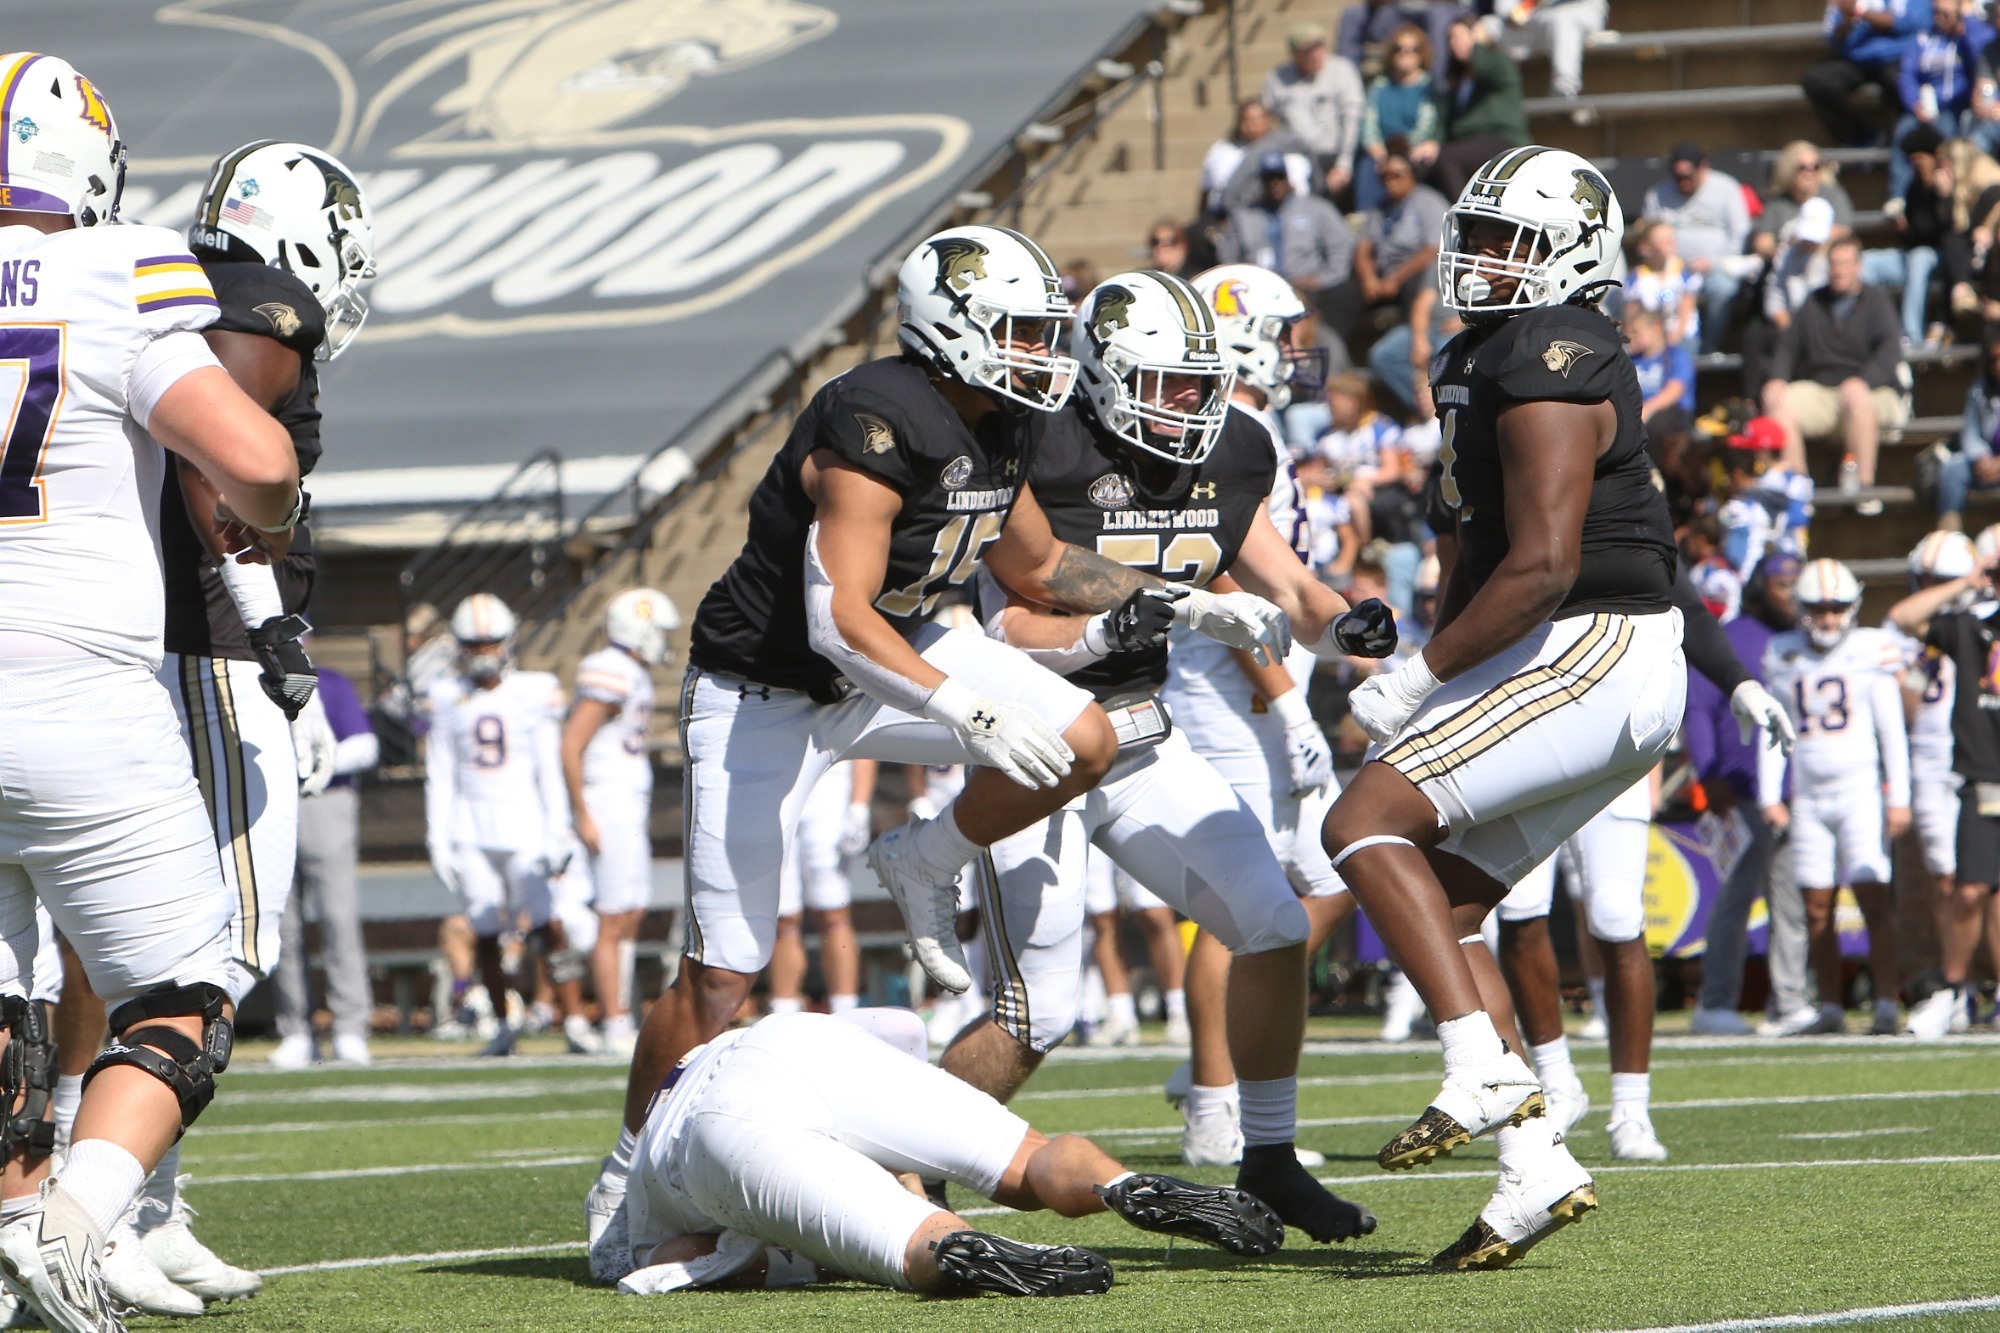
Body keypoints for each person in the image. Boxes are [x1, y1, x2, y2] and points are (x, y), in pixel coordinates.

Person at [585, 224, 1294, 1286]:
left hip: (899, 648)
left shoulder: (1000, 415)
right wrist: (966, 710)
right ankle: (627, 1168)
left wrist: (1180, 601)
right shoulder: (872, 414)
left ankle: (923, 857)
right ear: (946, 323)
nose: (1036, 350)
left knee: (1085, 733)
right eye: (1013, 329)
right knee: (721, 973)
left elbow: (1044, 562)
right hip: (767, 688)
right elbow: (836, 621)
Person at [943, 268, 1394, 1242]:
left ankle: (1266, 1156)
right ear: (1102, 377)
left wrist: (1351, 629)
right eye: (1168, 386)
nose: (1192, 407)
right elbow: (1013, 618)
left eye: (1201, 383)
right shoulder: (1037, 442)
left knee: (1271, 923)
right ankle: (905, 1167)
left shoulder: (1234, 447)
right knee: (1035, 1011)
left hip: (1140, 731)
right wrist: (1115, 627)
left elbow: (1287, 584)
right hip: (1031, 737)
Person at [1319, 145, 1693, 1270]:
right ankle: (1534, 1165)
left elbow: (1538, 565)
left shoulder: (1549, 347)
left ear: (1571, 254)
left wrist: (1421, 676)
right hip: (1585, 654)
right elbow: (1477, 550)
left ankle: (1480, 1066)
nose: (1476, 258)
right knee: (1437, 903)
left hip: (1593, 644)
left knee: (1356, 825)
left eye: (1506, 242)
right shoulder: (1484, 350)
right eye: (1473, 235)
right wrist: (1416, 633)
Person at [0, 52, 305, 1333]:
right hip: (74, 681)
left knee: (11, 997)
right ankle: (70, 1228)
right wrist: (265, 522)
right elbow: (255, 452)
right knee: (185, 997)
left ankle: (11, 1230)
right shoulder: (115, 262)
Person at [99, 135, 378, 1316]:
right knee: (218, 947)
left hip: (153, 638)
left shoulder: (161, 275)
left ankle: (142, 1206)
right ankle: (97, 1208)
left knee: (128, 946)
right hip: (207, 644)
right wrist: (272, 631)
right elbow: (215, 472)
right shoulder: (258, 303)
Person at [612, 1009, 1281, 1299]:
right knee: (1027, 1160)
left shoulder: (626, 1216)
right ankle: (1121, 1183)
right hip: (795, 1037)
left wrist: (777, 1264)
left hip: (718, 1129)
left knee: (915, 1239)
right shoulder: (647, 1151)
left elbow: (676, 1260)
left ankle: (966, 1249)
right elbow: (900, 1031)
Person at [426, 594, 596, 1057]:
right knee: (483, 928)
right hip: (471, 829)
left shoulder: (533, 691)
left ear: (508, 641)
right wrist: (437, 839)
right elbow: (441, 776)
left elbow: (548, 766)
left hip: (524, 824)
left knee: (547, 923)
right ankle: (503, 1027)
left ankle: (575, 1021)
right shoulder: (446, 697)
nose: (483, 652)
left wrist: (557, 828)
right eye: (474, 644)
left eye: (490, 642)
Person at [1760, 559, 1910, 1036]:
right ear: (1802, 609)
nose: (1828, 618)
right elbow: (1774, 730)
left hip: (1860, 792)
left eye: (1837, 607)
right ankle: (1830, 1006)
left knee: (1872, 896)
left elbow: (1891, 731)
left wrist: (1899, 797)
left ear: (1853, 606)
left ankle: (1886, 1001)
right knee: (1816, 906)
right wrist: (1770, 794)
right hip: (1808, 798)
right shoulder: (1782, 653)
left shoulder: (1871, 649)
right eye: (1820, 608)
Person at [1681, 555, 1817, 1036]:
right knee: (1737, 898)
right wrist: (1707, 770)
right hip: (1740, 792)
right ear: (1760, 589)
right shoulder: (1733, 636)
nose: (1794, 595)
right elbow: (1697, 705)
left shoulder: (1806, 642)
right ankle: (1716, 1001)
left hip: (1796, 793)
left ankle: (1791, 1001)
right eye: (1784, 584)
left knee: (1792, 901)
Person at [1889, 528, 2000, 1038]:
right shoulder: (1960, 627)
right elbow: (1905, 621)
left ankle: (1983, 988)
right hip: (1966, 768)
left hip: (1977, 764)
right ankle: (1957, 988)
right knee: (1963, 885)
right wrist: (1963, 586)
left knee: (1987, 889)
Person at [562, 588, 677, 1055]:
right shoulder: (610, 670)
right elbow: (571, 745)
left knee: (630, 913)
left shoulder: (632, 672)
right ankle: (613, 1020)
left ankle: (620, 1015)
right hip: (607, 801)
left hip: (627, 803)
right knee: (613, 916)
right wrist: (582, 813)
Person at [272, 662, 379, 1069]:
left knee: (338, 919)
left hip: (324, 802)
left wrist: (318, 763)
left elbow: (365, 744)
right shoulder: (247, 684)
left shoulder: (329, 683)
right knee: (283, 926)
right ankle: (296, 1030)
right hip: (272, 807)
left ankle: (350, 1028)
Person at [1762, 236, 1907, 513]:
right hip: (1824, 389)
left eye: (1845, 263)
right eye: (1834, 264)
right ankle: (1798, 491)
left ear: (1858, 266)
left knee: (1858, 400)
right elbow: (1788, 347)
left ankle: (1863, 488)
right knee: (1778, 404)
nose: (1838, 270)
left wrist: (1864, 380)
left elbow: (1891, 350)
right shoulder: (1814, 301)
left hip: (1874, 390)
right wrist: (1777, 378)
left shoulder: (1876, 301)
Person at [1318, 147, 1448, 351]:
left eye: (1396, 175)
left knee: (1416, 290)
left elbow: (1434, 248)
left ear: (1411, 175)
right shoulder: (1379, 208)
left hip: (1413, 275)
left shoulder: (1428, 201)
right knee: (1340, 294)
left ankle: (1413, 351)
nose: (1390, 181)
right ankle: (1337, 354)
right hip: (1381, 276)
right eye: (1384, 176)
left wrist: (1396, 278)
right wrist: (1369, 278)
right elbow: (1363, 247)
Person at [769, 761, 867, 1015]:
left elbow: (865, 735)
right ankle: (783, 1012)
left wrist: (859, 805)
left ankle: (846, 1012)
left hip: (830, 786)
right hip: (777, 784)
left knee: (833, 911)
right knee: (783, 914)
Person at [1643, 144, 1752, 354]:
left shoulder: (1726, 188)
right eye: (1678, 177)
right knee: (1655, 292)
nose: (1684, 182)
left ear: (1703, 168)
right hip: (1672, 271)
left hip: (1717, 267)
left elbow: (1740, 232)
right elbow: (1649, 233)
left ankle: (1711, 349)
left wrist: (1715, 262)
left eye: (1689, 176)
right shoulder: (1658, 195)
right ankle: (1661, 353)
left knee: (1724, 289)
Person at [1216, 156, 1355, 304]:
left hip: (1307, 292)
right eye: (1268, 179)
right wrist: (1243, 279)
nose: (1275, 183)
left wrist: (1322, 279)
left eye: (1279, 177)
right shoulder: (1245, 216)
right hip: (1256, 293)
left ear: (1288, 178)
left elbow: (1341, 245)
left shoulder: (1316, 209)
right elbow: (1227, 256)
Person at [1892, 0, 1991, 198]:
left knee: (1944, 136)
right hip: (1925, 107)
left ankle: (1948, 194)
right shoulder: (1924, 38)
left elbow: (1983, 53)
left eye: (1946, 14)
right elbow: (1907, 75)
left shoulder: (1971, 36)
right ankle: (1899, 196)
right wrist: (1914, 103)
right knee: (1903, 132)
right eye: (1936, 12)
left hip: (1957, 107)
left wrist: (1968, 21)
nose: (1940, 18)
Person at [1802, 0, 1931, 147]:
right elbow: (1835, 37)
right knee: (1817, 81)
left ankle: (1910, 140)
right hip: (1856, 58)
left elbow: (1909, 23)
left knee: (1899, 82)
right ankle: (1860, 140)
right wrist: (1847, 19)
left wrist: (1860, 12)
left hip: (1898, 55)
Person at [1428, 17, 1530, 201]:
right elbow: (1444, 117)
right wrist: (1434, 141)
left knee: (1448, 158)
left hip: (1500, 140)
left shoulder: (1500, 64)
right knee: (1424, 166)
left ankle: (1462, 215)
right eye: (1451, 38)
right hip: (1466, 143)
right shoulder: (1458, 81)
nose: (1455, 43)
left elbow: (1485, 66)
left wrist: (1477, 44)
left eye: (1460, 36)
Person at [1260, 22, 1366, 200]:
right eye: (1308, 50)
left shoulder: (1342, 70)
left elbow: (1352, 119)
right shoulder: (1277, 78)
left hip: (1334, 154)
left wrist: (1344, 164)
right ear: (1295, 54)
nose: (1316, 55)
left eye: (1319, 47)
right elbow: (1267, 120)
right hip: (1296, 156)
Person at [1358, 27, 1442, 213]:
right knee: (1368, 169)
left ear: (1421, 54)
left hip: (1414, 150)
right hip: (1382, 151)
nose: (1405, 54)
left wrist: (1406, 151)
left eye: (1412, 49)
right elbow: (1369, 126)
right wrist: (1381, 154)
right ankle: (1368, 222)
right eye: (1399, 49)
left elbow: (1428, 123)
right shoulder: (1379, 87)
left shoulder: (1428, 86)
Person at [1200, 102, 1313, 220]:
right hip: (1232, 216)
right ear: (1239, 123)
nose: (1253, 125)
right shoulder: (1222, 152)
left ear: (1269, 120)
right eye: (1248, 120)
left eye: (1259, 119)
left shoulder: (1291, 154)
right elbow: (1206, 192)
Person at [1485, 0, 1607, 103]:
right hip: (1536, 17)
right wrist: (1524, 8)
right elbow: (1510, 15)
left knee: (1562, 20)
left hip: (1579, 9)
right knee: (1488, 25)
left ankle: (1565, 92)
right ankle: (1483, 97)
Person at [1755, 141, 1859, 260]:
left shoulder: (1833, 195)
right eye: (1802, 167)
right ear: (1789, 169)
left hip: (1825, 263)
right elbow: (1762, 241)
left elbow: (1843, 231)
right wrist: (1782, 252)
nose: (1809, 173)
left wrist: (1808, 245)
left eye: (1815, 167)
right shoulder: (1778, 203)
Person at [1941, 337, 2000, 527]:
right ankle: (1950, 536)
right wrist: (1980, 458)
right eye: (1994, 359)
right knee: (1953, 468)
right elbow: (1971, 431)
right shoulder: (1980, 389)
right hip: (1986, 463)